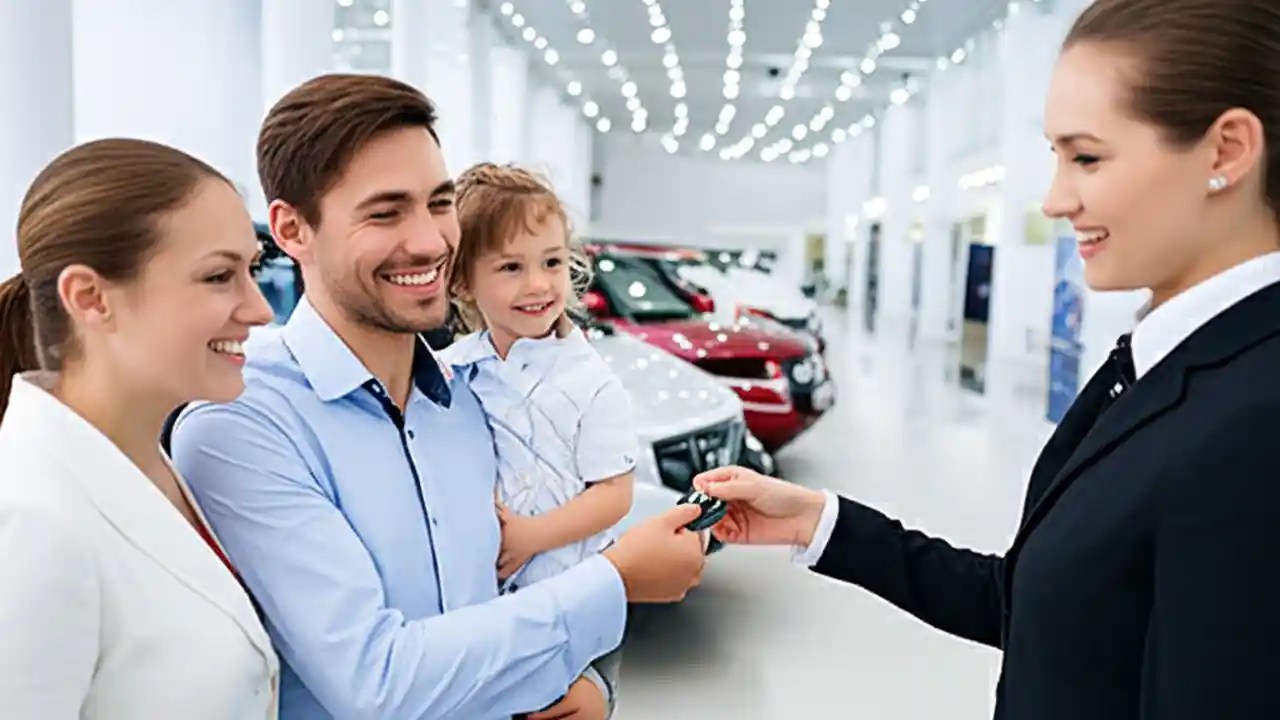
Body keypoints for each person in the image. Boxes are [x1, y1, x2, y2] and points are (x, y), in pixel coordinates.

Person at [695, 1, 1280, 718]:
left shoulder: (1255, 426)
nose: (1056, 198)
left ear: (1225, 152)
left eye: (1087, 157)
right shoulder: (1162, 363)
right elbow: (1047, 610)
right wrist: (821, 523)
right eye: (1056, 157)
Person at [168, 73, 706, 720]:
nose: (430, 241)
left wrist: (594, 678)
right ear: (291, 229)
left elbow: (533, 584)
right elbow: (379, 685)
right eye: (386, 212)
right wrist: (616, 582)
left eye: (439, 202)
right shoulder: (243, 421)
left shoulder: (474, 393)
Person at [0, 138, 278, 718]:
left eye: (252, 270)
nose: (259, 308)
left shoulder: (144, 461)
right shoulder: (31, 521)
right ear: (92, 297)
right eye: (219, 277)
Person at [438, 163, 638, 714]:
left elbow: (614, 494)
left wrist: (532, 536)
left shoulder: (590, 383)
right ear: (461, 281)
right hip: (488, 613)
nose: (538, 284)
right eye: (510, 267)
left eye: (552, 262)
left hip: (577, 608)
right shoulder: (450, 372)